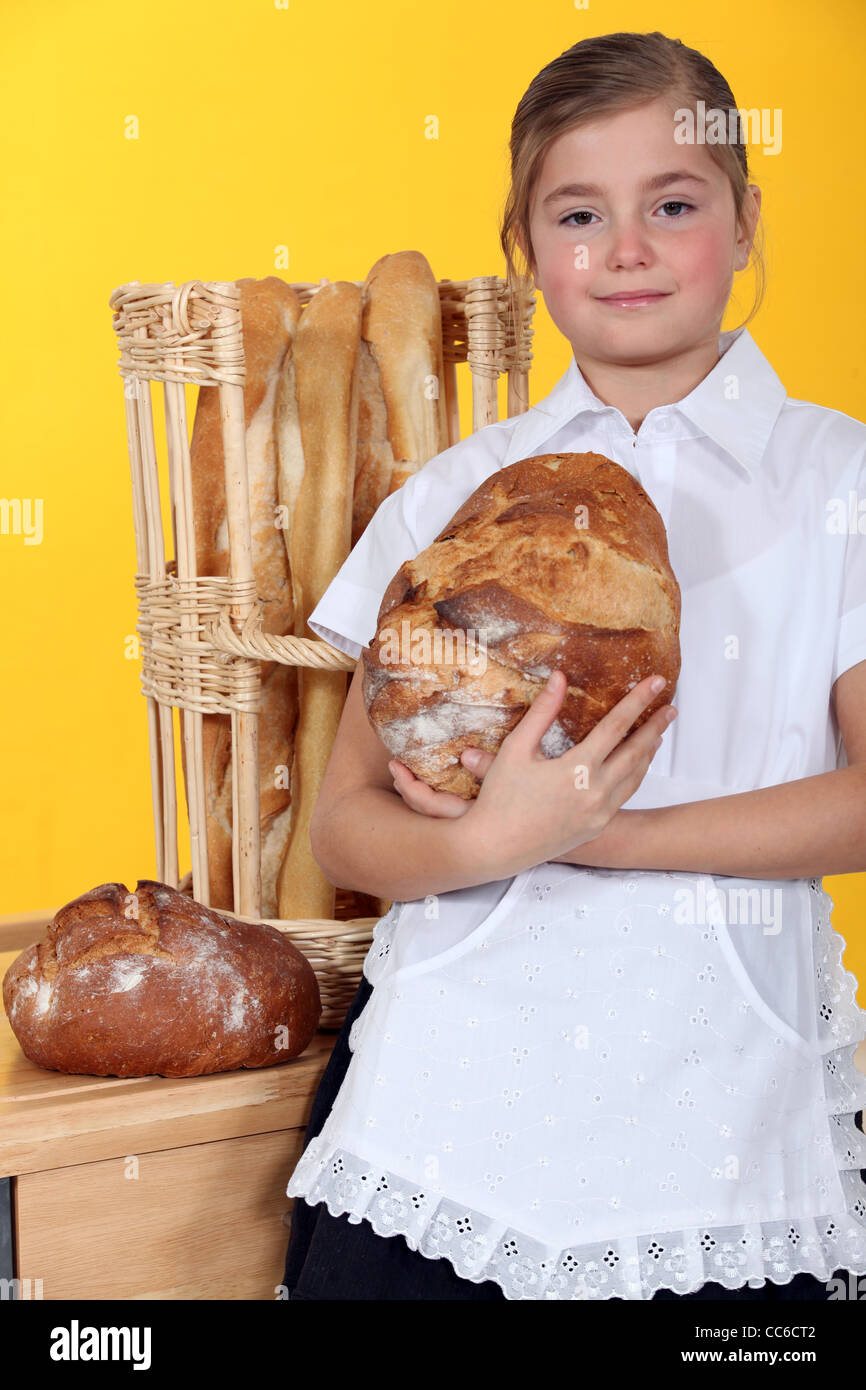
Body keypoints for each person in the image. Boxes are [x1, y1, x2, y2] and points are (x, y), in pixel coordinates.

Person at [281, 30, 866, 1301]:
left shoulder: (839, 480)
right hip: (439, 1128)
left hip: (718, 1125)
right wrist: (488, 846)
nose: (626, 248)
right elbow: (345, 828)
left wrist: (589, 835)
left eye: (672, 204)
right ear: (525, 248)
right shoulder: (442, 500)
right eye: (578, 213)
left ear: (746, 219)